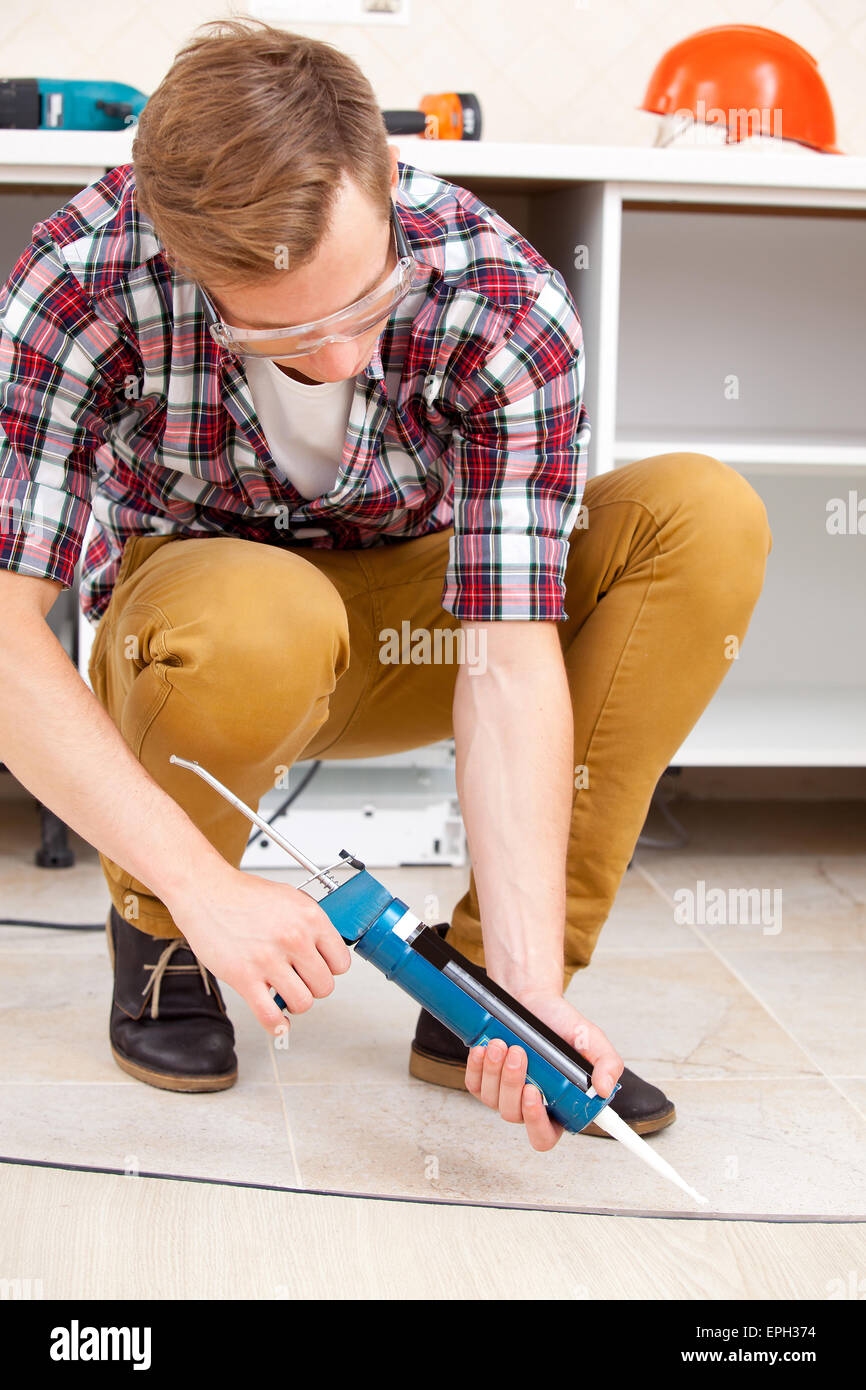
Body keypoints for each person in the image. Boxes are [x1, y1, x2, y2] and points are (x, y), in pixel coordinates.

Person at [0, 19, 771, 1152]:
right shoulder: (78, 283)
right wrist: (202, 890)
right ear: (181, 255)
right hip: (218, 633)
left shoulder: (497, 289)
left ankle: (485, 1008)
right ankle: (166, 935)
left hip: (433, 628)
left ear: (383, 181)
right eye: (293, 332)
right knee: (257, 617)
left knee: (701, 518)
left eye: (367, 299)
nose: (351, 354)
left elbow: (508, 660)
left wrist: (517, 985)